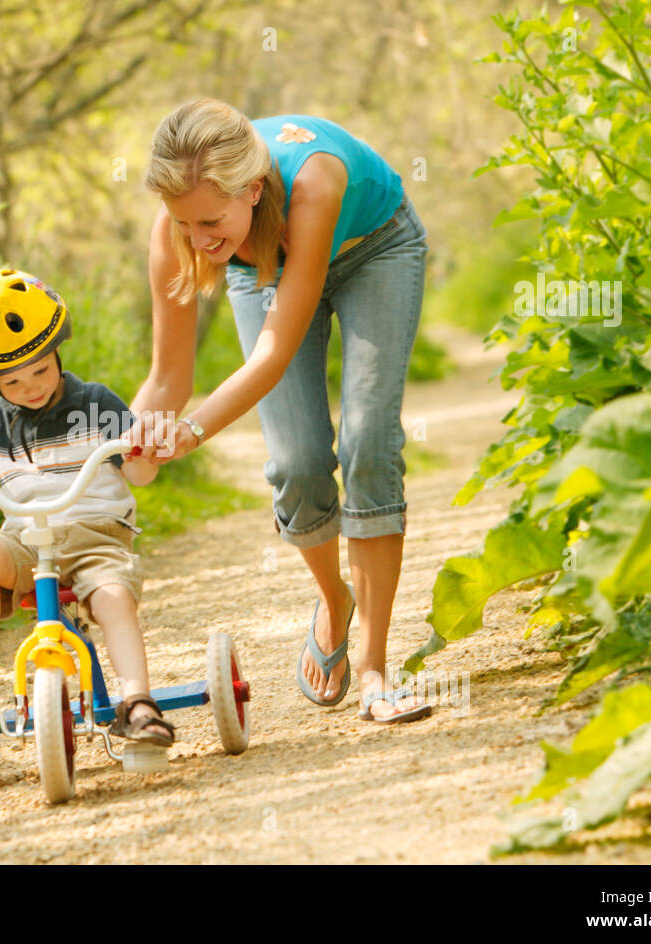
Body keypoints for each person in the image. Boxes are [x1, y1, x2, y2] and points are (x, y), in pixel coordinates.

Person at [128, 98, 432, 724]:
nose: (198, 240)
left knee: (368, 440)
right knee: (294, 461)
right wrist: (132, 446)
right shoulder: (184, 230)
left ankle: (374, 671)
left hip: (374, 248)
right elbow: (166, 377)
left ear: (252, 190)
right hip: (263, 260)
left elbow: (271, 357)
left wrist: (191, 434)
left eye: (211, 222)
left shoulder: (313, 183)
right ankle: (333, 598)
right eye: (185, 225)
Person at [0, 267, 175, 745]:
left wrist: (143, 451)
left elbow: (137, 473)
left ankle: (138, 701)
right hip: (27, 543)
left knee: (113, 598)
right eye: (12, 382)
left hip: (97, 535)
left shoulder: (95, 402)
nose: (30, 387)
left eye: (40, 369)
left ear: (57, 352)